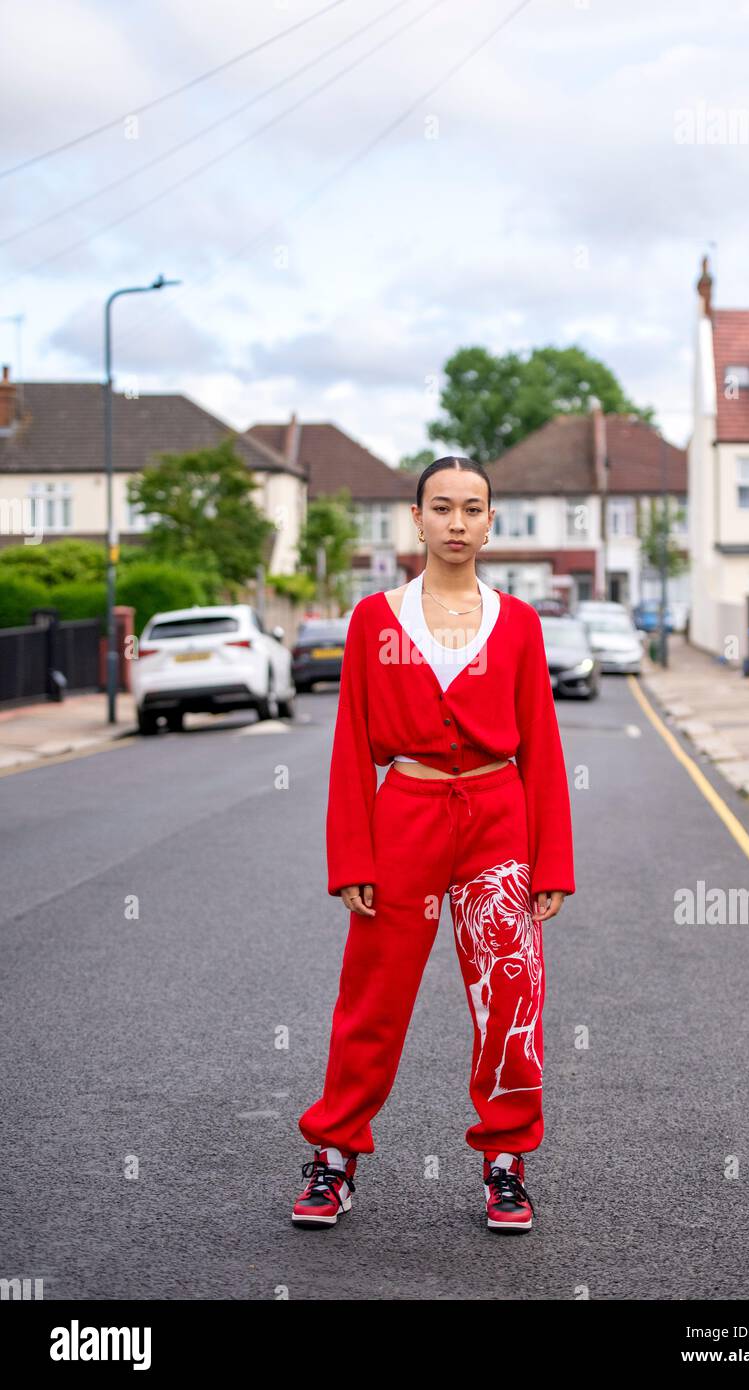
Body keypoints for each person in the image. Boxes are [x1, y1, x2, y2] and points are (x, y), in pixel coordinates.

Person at [293, 455, 576, 1233]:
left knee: (510, 997)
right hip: (405, 813)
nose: (457, 523)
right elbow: (352, 740)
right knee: (372, 999)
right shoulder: (373, 620)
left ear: (492, 521)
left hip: (497, 814)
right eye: (442, 508)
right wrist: (351, 857)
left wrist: (553, 860)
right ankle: (334, 1159)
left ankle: (507, 1164)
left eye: (472, 509)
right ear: (414, 519)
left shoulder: (518, 622)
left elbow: (543, 748)